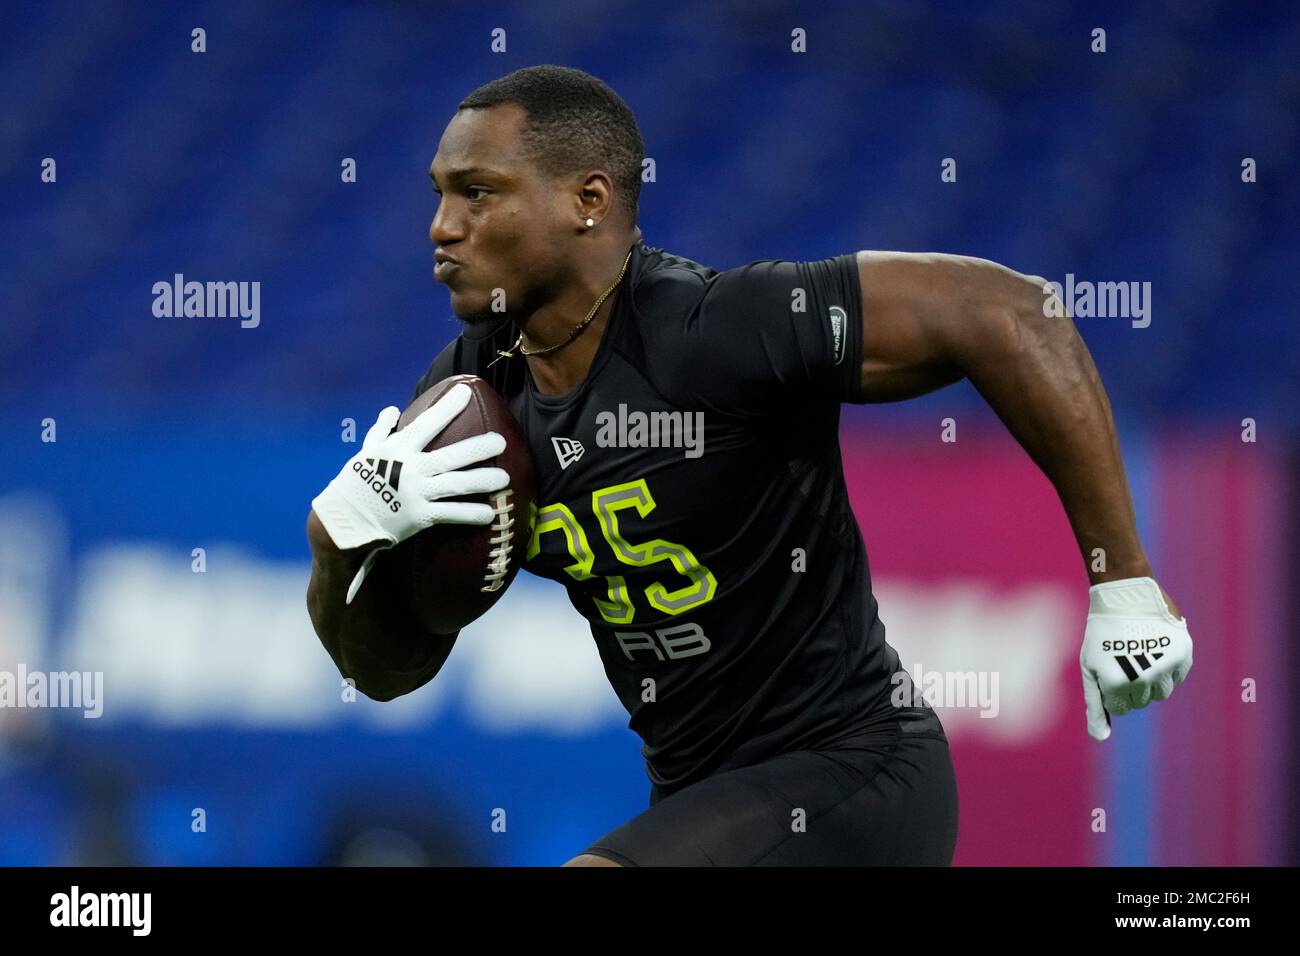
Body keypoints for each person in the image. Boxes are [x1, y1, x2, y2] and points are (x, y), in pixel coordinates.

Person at [305, 65, 1193, 866]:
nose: (441, 226)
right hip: (700, 798)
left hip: (850, 775)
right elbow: (386, 671)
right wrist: (339, 541)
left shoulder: (714, 332)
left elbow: (1014, 312)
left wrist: (1125, 578)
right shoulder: (472, 389)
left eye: (477, 192)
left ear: (588, 199)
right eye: (439, 194)